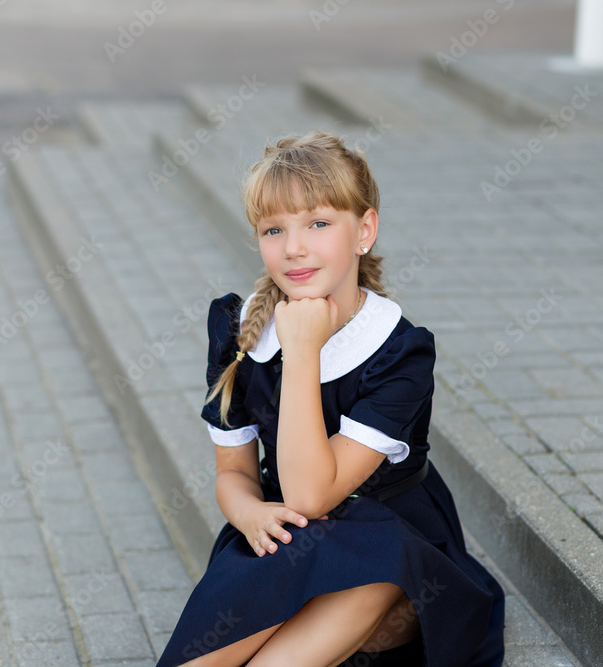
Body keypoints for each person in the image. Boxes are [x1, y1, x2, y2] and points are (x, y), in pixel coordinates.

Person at [155, 130, 504, 666]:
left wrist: (302, 351)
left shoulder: (399, 352)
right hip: (285, 532)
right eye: (274, 229)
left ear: (364, 230)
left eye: (318, 223)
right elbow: (235, 473)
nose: (294, 247)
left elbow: (311, 495)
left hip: (388, 540)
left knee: (352, 590)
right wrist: (248, 513)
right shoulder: (239, 328)